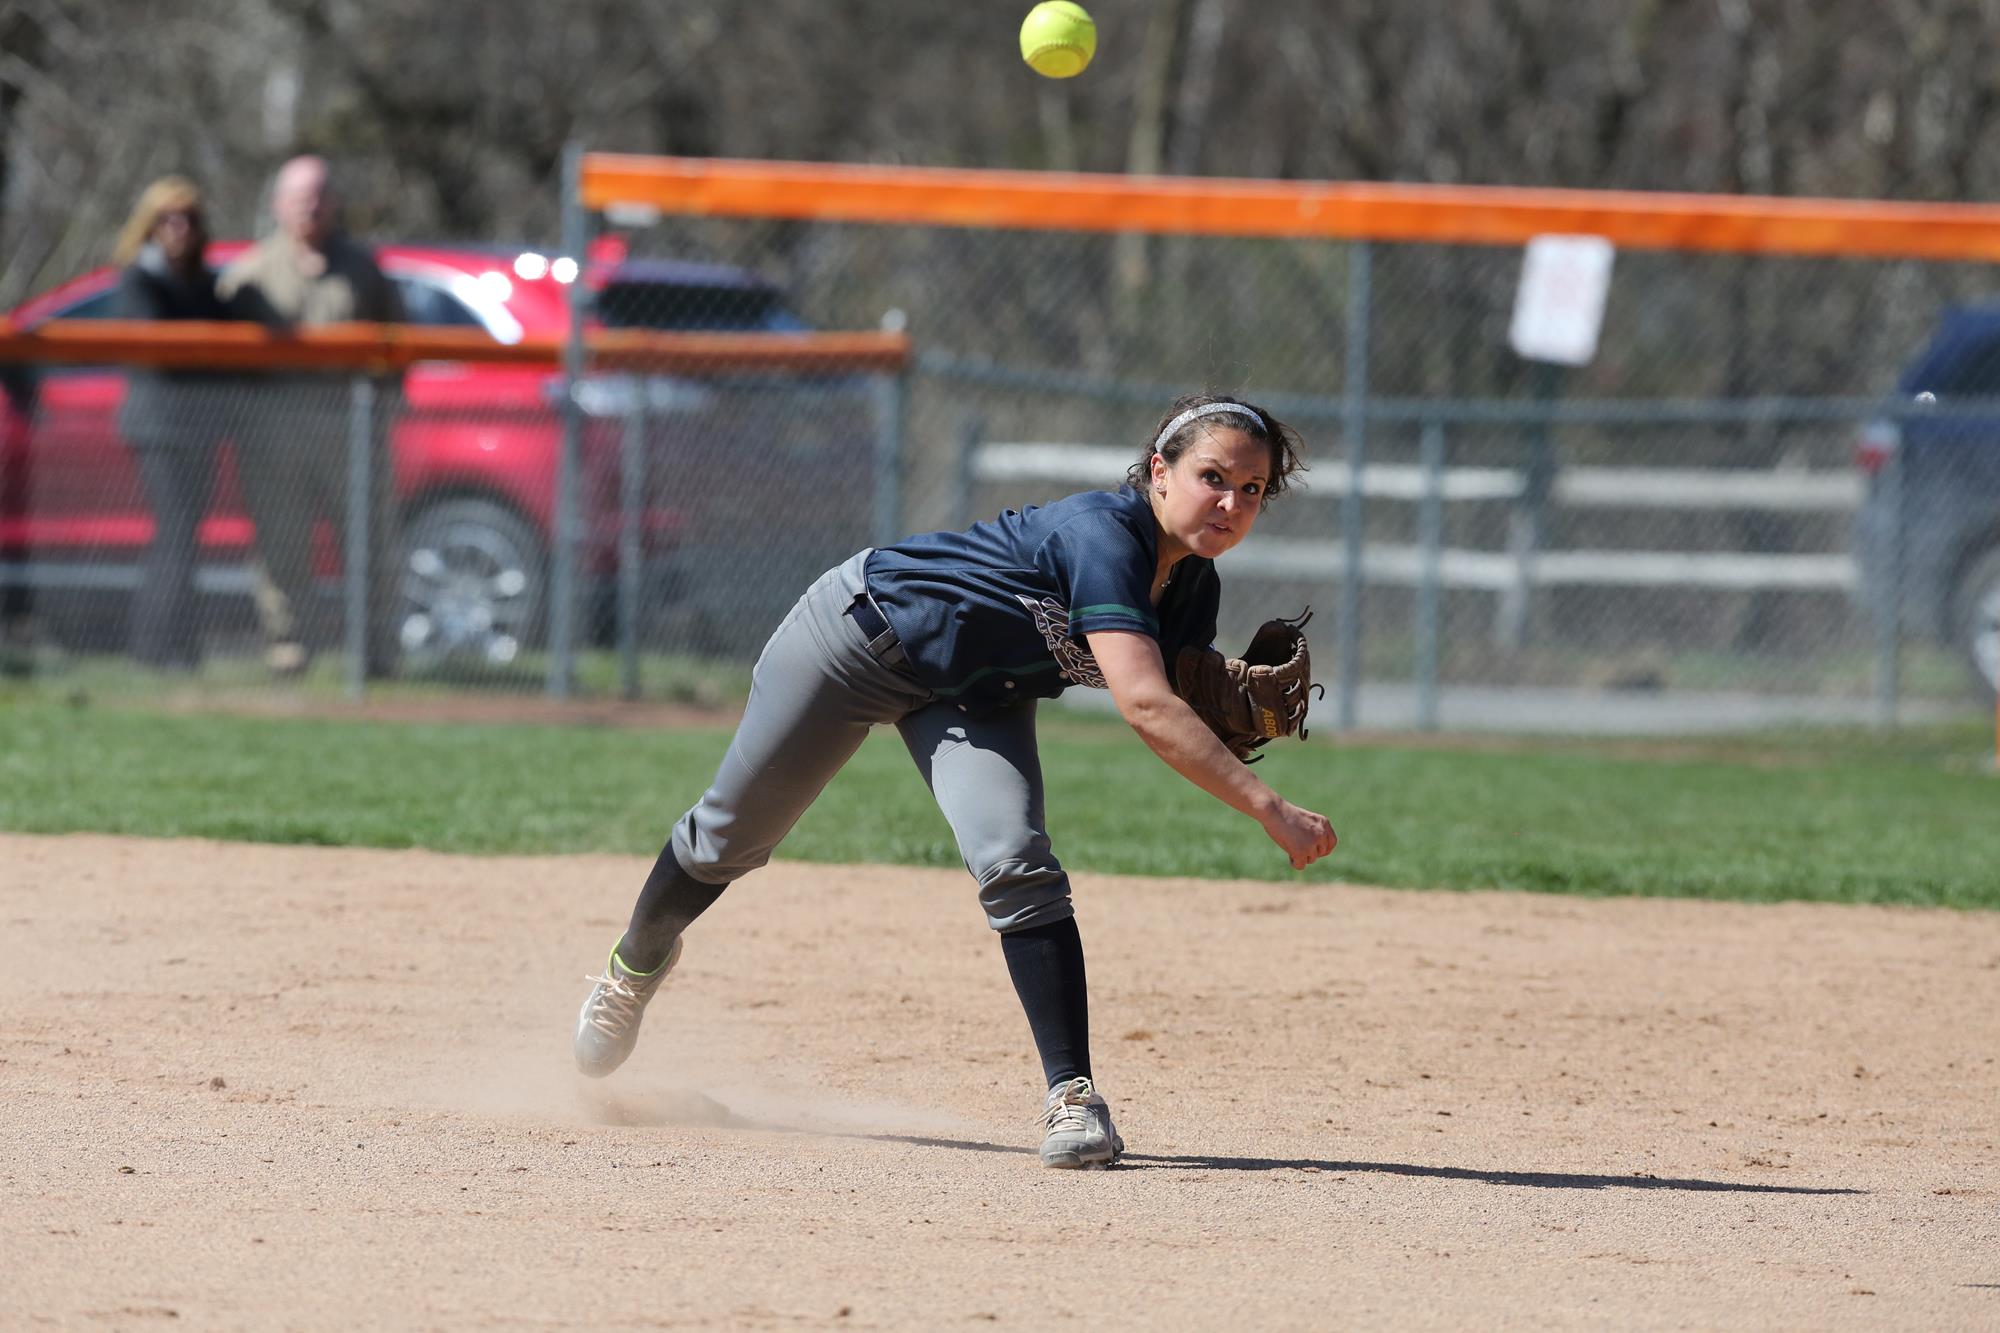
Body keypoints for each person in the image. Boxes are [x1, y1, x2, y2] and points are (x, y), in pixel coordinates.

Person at [572, 395, 1339, 1169]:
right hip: (857, 639)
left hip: (976, 694)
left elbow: (1171, 702)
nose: (1231, 502)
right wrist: (1268, 806)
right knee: (728, 836)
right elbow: (1145, 705)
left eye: (1252, 489)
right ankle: (635, 964)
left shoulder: (1193, 586)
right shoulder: (1105, 538)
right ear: (1159, 471)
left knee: (1016, 860)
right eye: (1213, 477)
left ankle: (1074, 1097)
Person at [218, 154, 405, 678]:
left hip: (350, 427)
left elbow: (398, 343)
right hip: (273, 433)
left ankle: (375, 652)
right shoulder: (249, 273)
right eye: (300, 198)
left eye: (320, 196)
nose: (311, 207)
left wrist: (386, 405)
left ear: (335, 203)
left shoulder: (363, 268)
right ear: (279, 204)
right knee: (280, 543)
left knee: (368, 542)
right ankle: (290, 645)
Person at [110, 176, 240, 670]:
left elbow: (227, 339)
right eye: (168, 218)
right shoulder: (140, 279)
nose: (179, 228)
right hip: (158, 429)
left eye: (188, 218)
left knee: (186, 535)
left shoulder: (205, 283)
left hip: (199, 428)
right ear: (151, 224)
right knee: (175, 532)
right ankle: (155, 648)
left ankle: (181, 647)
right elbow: (157, 350)